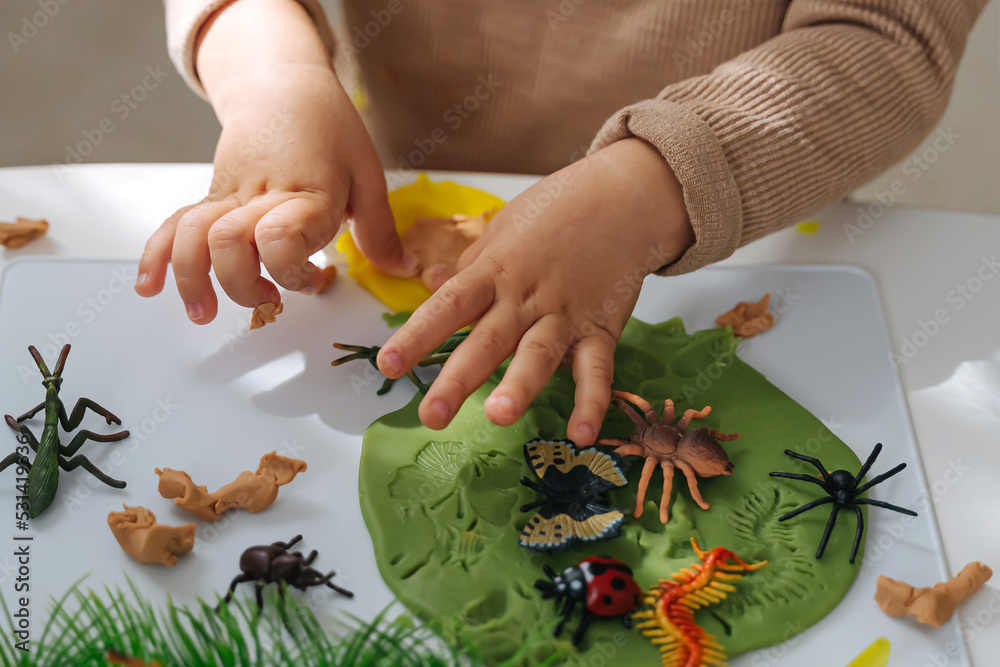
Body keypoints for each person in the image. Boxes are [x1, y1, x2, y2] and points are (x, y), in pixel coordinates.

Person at [139, 0, 989, 445]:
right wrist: (271, 72)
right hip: (419, 178)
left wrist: (648, 188)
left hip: (743, 207)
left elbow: (886, 38)